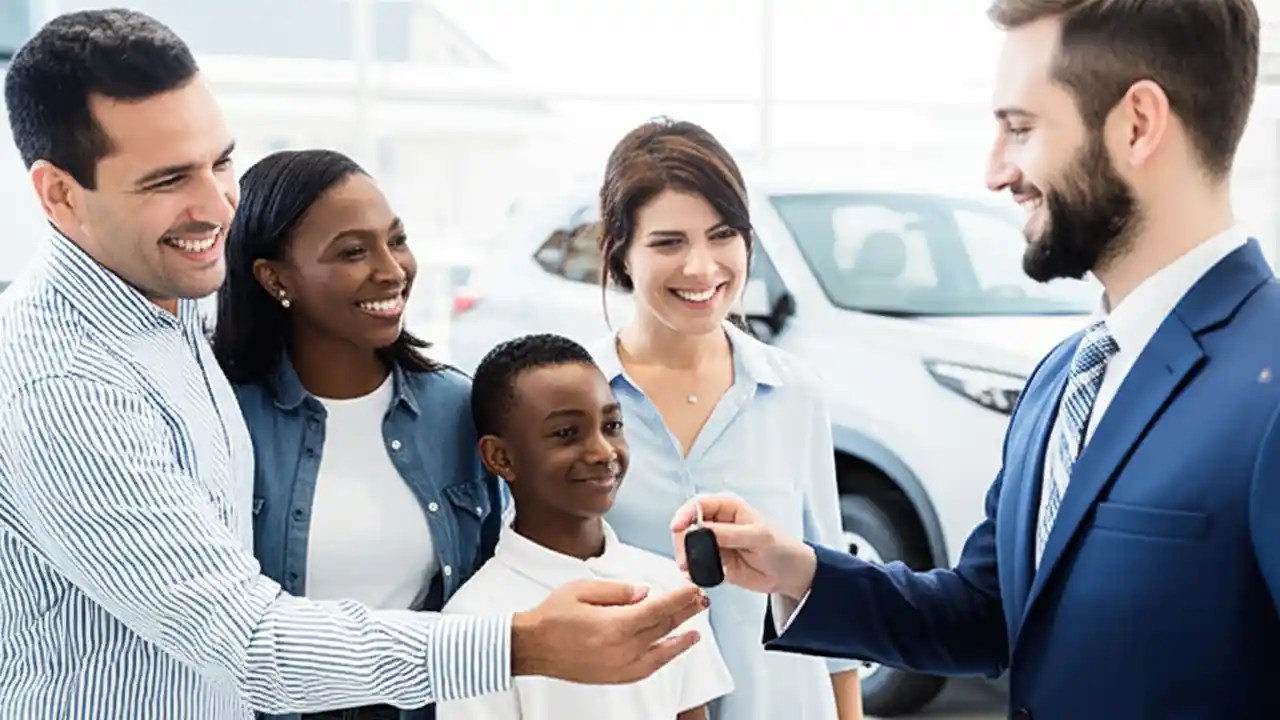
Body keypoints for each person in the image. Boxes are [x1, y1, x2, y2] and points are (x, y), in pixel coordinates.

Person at [0, 10, 706, 719]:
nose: (217, 205)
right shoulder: (64, 385)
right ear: (60, 194)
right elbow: (250, 646)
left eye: (220, 162)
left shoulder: (165, 303)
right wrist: (522, 645)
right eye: (167, 180)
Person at [670, 1, 1280, 718]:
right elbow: (988, 611)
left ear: (1138, 124)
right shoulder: (1065, 375)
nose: (995, 172)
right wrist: (797, 571)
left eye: (1020, 129)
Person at [212, 149, 503, 720]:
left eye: (396, 240)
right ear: (273, 278)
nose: (392, 270)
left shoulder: (458, 410)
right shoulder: (223, 416)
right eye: (353, 251)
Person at [587, 118, 863, 720]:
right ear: (621, 255)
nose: (702, 267)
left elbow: (829, 593)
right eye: (668, 243)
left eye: (722, 235)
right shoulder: (577, 402)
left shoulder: (794, 392)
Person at [436, 333, 734, 720]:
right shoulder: (476, 622)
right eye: (566, 434)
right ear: (501, 457)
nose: (602, 451)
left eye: (611, 426)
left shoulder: (669, 588)